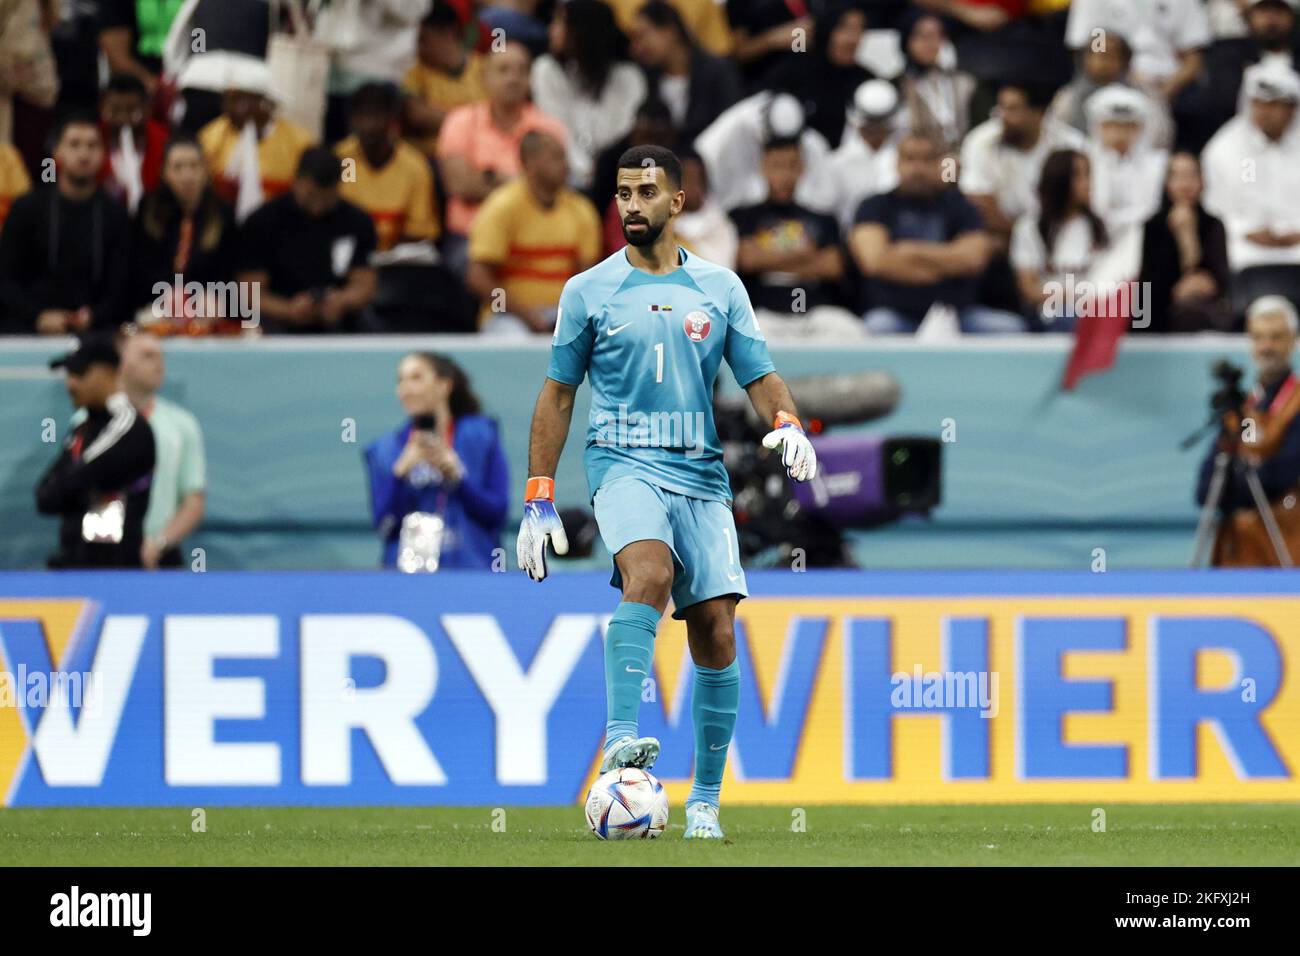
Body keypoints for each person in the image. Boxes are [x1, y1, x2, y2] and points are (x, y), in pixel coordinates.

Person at [516, 144, 817, 840]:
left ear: (677, 203)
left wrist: (789, 420)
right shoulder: (587, 291)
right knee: (647, 573)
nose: (631, 205)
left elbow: (759, 374)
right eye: (622, 193)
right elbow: (558, 394)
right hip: (622, 462)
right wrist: (538, 493)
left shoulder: (721, 287)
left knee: (715, 631)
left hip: (701, 475)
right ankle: (622, 739)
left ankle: (704, 802)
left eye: (647, 193)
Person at [852, 131, 1026, 334]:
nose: (918, 168)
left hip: (958, 313)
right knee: (874, 327)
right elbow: (874, 262)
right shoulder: (874, 206)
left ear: (941, 165)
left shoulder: (962, 207)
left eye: (927, 159)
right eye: (910, 159)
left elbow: (973, 259)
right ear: (897, 163)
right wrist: (947, 262)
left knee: (1011, 328)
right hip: (894, 313)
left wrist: (906, 253)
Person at [363, 352, 509, 570]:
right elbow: (384, 527)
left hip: (471, 571)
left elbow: (497, 514)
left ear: (444, 385)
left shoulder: (481, 437)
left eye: (416, 378)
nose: (405, 389)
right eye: (400, 380)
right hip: (406, 576)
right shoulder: (385, 450)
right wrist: (399, 475)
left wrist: (458, 479)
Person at [435, 40, 567, 270]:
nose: (513, 78)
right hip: (470, 237)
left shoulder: (549, 128)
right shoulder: (460, 121)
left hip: (533, 237)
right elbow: (461, 185)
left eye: (522, 71)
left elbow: (552, 186)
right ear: (484, 78)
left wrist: (490, 176)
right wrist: (524, 182)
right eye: (503, 70)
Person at [0, 112, 131, 335]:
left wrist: (94, 316)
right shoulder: (28, 208)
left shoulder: (115, 215)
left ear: (103, 153)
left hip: (94, 330)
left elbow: (122, 286)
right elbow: (6, 279)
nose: (84, 153)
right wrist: (38, 316)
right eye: (74, 144)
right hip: (30, 326)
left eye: (92, 145)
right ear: (57, 152)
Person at [35, 333, 156, 568]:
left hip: (115, 573)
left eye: (80, 373)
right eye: (69, 375)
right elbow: (44, 497)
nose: (71, 383)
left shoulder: (128, 426)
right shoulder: (82, 428)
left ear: (109, 371)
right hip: (74, 566)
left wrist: (70, 490)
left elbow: (66, 485)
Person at [1196, 295, 1300, 564]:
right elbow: (1206, 488)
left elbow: (1282, 474)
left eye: (1276, 337)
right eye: (1258, 337)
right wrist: (1246, 475)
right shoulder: (1240, 406)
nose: (1267, 347)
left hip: (1288, 539)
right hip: (1238, 545)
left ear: (1293, 340)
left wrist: (1237, 474)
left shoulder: (1296, 401)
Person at [466, 130, 601, 335]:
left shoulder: (581, 209)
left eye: (564, 157)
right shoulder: (502, 206)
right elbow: (478, 278)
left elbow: (587, 279)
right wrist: (525, 315)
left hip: (563, 314)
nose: (565, 165)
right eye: (556, 157)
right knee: (514, 341)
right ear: (529, 163)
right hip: (508, 314)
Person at [730, 136, 860, 339]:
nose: (785, 175)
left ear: (802, 169)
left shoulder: (822, 219)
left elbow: (832, 265)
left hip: (815, 311)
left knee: (850, 330)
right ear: (763, 168)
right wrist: (805, 254)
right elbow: (748, 259)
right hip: (765, 312)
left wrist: (770, 259)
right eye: (777, 166)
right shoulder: (744, 217)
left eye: (792, 166)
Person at [236, 147, 378, 333]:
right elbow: (250, 292)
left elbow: (365, 283)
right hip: (277, 313)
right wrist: (288, 310)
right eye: (312, 196)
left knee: (369, 324)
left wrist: (341, 300)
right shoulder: (263, 221)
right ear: (297, 181)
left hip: (338, 313)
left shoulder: (357, 221)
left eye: (326, 199)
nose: (318, 206)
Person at [960, 81, 1087, 257]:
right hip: (1004, 234)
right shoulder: (981, 141)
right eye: (1001, 107)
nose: (1003, 116)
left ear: (1040, 113)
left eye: (1013, 109)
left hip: (1059, 234)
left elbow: (1081, 199)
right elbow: (978, 201)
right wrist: (1025, 240)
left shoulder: (1072, 144)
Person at [530, 0, 645, 192]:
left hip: (615, 177)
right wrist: (583, 171)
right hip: (568, 179)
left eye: (558, 24)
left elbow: (623, 134)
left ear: (581, 30)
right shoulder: (547, 71)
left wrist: (601, 171)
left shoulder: (628, 77)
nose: (550, 31)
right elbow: (557, 129)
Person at [115, 329, 206, 568]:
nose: (159, 364)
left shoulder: (182, 424)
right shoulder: (91, 421)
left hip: (161, 553)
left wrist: (159, 543)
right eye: (147, 356)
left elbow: (193, 499)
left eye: (160, 356)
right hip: (106, 552)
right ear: (121, 362)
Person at [131, 137, 240, 333]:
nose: (187, 175)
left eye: (194, 166)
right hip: (155, 307)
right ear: (164, 173)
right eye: (178, 167)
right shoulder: (148, 210)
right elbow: (140, 267)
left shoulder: (222, 213)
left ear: (206, 171)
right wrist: (171, 297)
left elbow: (227, 270)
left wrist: (208, 297)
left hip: (207, 309)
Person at [1201, 62, 1300, 276]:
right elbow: (1216, 206)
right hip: (1244, 244)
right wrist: (1246, 229)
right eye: (1259, 103)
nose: (1265, 112)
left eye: (1275, 104)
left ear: (1292, 107)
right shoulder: (1228, 148)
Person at [197, 58, 314, 221]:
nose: (228, 108)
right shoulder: (211, 135)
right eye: (227, 100)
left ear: (265, 103)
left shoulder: (300, 142)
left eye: (239, 100)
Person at [1011, 149, 1110, 331]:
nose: (1088, 183)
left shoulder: (1101, 226)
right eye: (1079, 176)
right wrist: (1069, 295)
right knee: (1069, 317)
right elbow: (1028, 288)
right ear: (1060, 180)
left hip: (1096, 308)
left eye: (1089, 174)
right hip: (1051, 310)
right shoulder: (1030, 227)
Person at [335, 82, 440, 252]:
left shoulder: (414, 166)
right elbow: (339, 215)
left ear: (392, 119)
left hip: (397, 258)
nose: (368, 125)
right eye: (361, 116)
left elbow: (419, 231)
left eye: (375, 116)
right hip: (350, 254)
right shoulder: (347, 161)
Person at [1137, 152, 1232, 333]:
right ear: (1167, 183)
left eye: (1192, 175)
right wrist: (1182, 237)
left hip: (1204, 308)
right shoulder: (1153, 226)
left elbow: (1221, 279)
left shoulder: (1213, 224)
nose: (1185, 184)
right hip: (1160, 309)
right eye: (1179, 176)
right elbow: (1148, 285)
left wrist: (1190, 240)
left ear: (1203, 181)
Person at [761, 0, 871, 151]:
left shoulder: (867, 81)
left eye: (860, 29)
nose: (853, 38)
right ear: (827, 29)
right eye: (844, 28)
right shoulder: (793, 72)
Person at [630, 0, 743, 145]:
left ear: (669, 31)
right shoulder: (645, 77)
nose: (637, 47)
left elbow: (732, 124)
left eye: (642, 35)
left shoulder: (718, 71)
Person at [1084, 84, 1168, 241]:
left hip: (1144, 238)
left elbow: (1152, 210)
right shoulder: (1083, 163)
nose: (1119, 134)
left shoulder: (1158, 164)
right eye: (1111, 126)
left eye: (1128, 126)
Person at [403, 3, 486, 157]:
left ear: (449, 33)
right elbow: (417, 114)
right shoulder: (415, 70)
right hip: (432, 158)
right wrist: (472, 124)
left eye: (423, 39)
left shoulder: (483, 68)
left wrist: (443, 118)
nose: (416, 47)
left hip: (478, 154)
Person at [825, 79, 902, 233]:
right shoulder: (835, 164)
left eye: (880, 124)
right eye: (870, 125)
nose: (875, 130)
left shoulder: (904, 159)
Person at [899, 12, 977, 151]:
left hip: (954, 158)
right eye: (922, 36)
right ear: (907, 40)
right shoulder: (896, 85)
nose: (930, 43)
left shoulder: (965, 83)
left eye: (937, 36)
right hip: (914, 160)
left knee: (949, 169)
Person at [98, 72, 169, 212]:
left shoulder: (163, 141)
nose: (123, 118)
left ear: (147, 108)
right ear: (102, 107)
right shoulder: (91, 140)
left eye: (132, 110)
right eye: (114, 110)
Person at [672, 148, 737, 269]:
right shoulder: (652, 219)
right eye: (686, 179)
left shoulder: (718, 224)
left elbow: (719, 272)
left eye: (698, 179)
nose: (693, 186)